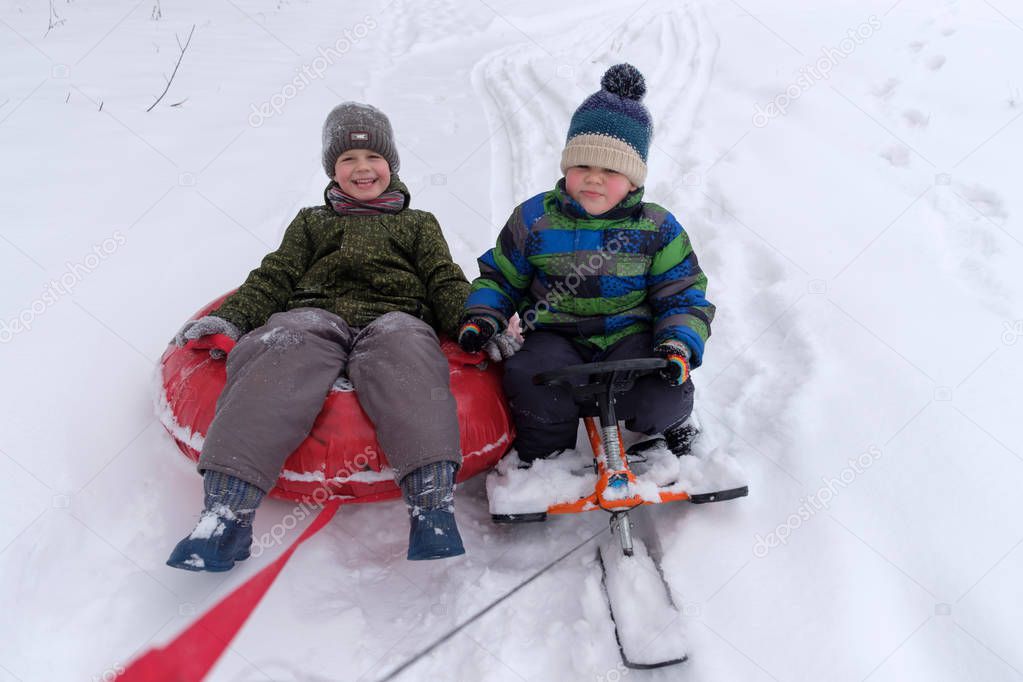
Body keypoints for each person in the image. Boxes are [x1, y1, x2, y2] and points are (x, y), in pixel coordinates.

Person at [167, 102, 499, 570]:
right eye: (347, 160)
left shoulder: (418, 224)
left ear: (392, 164)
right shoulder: (311, 222)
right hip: (314, 316)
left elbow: (444, 279)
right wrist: (234, 320)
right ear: (332, 170)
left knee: (409, 354)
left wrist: (475, 321)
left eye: (373, 158)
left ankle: (431, 507)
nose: (362, 168)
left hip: (394, 318)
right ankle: (226, 515)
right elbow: (275, 276)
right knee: (279, 348)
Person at [458, 64, 714, 465]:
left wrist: (677, 343)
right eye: (582, 167)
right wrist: (484, 315)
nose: (593, 179)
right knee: (529, 379)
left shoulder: (657, 228)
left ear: (633, 180)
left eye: (610, 170)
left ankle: (671, 424)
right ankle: (547, 458)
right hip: (556, 335)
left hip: (631, 333)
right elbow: (501, 276)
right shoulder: (534, 219)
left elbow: (681, 295)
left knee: (661, 391)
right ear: (566, 168)